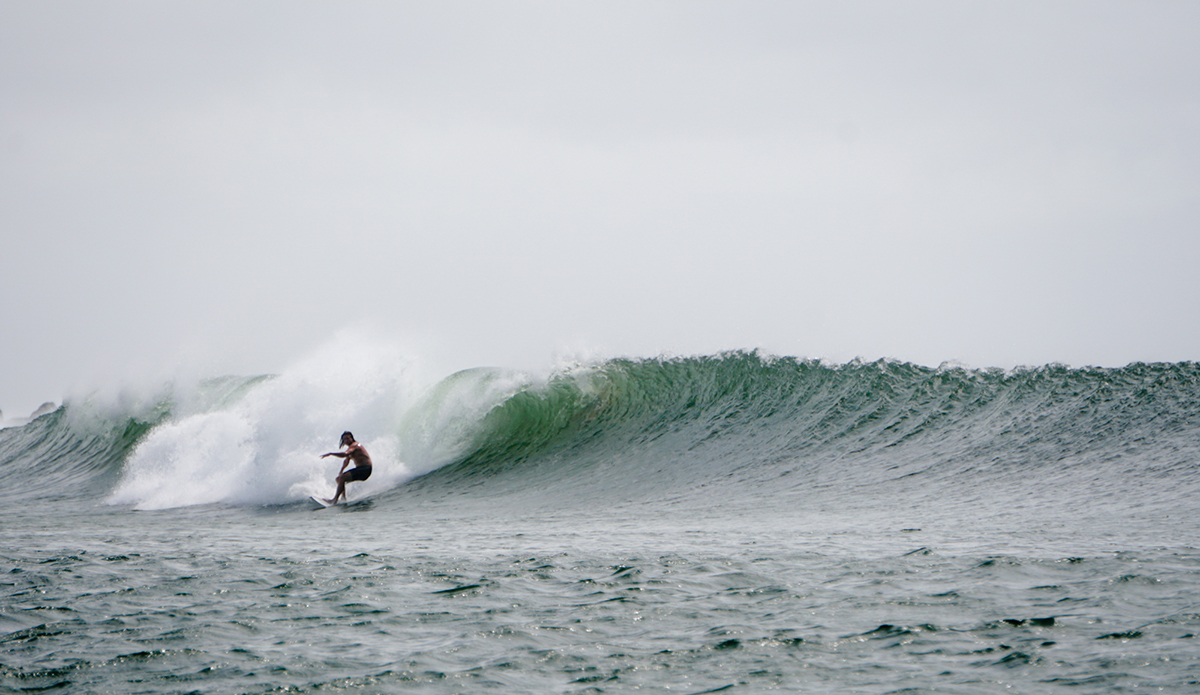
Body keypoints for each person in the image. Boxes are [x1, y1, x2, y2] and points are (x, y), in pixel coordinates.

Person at [321, 431, 373, 504]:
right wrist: (342, 470)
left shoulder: (355, 445)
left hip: (365, 469)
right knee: (339, 479)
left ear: (352, 438)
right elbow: (346, 460)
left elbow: (345, 454)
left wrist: (331, 454)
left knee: (342, 478)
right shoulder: (351, 448)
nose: (346, 440)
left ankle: (334, 500)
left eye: (348, 438)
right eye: (344, 439)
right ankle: (343, 498)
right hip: (361, 469)